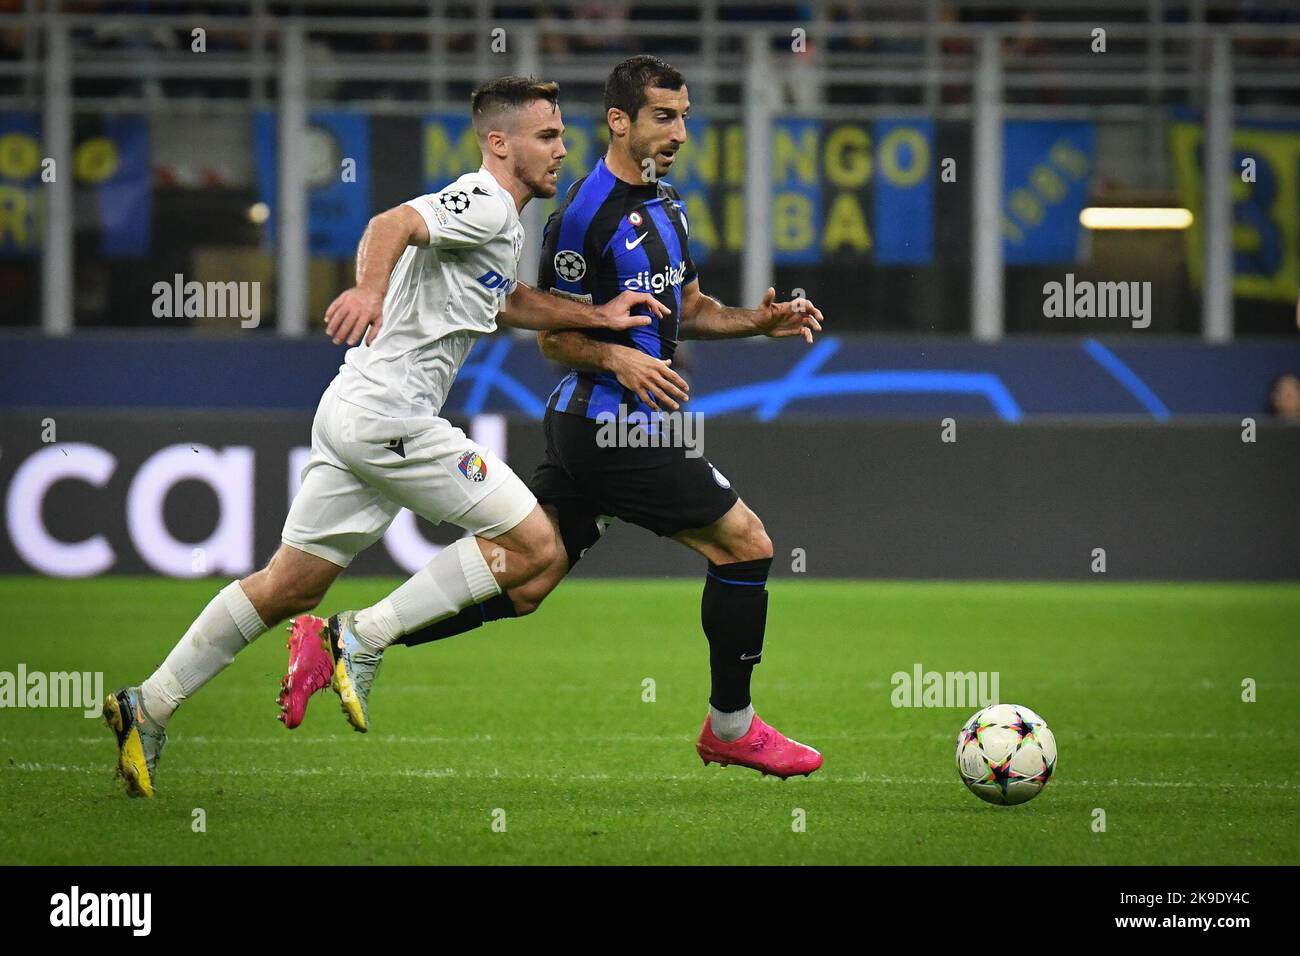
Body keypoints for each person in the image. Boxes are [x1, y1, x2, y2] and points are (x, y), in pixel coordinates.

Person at [103, 75, 666, 798]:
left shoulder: (499, 226)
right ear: (500, 143)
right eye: (547, 136)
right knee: (537, 548)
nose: (564, 149)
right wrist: (368, 289)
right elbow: (390, 224)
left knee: (286, 586)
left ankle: (145, 706)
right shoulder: (487, 199)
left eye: (561, 134)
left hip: (351, 411)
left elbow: (507, 300)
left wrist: (599, 314)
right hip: (391, 417)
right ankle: (357, 637)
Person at [295, 56, 827, 780]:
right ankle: (731, 726)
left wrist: (758, 322)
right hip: (609, 425)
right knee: (747, 546)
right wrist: (619, 361)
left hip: (614, 426)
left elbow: (692, 311)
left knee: (527, 581)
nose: (679, 131)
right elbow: (550, 333)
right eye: (664, 116)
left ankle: (354, 634)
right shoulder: (584, 212)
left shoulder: (669, 208)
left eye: (685, 116)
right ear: (620, 121)